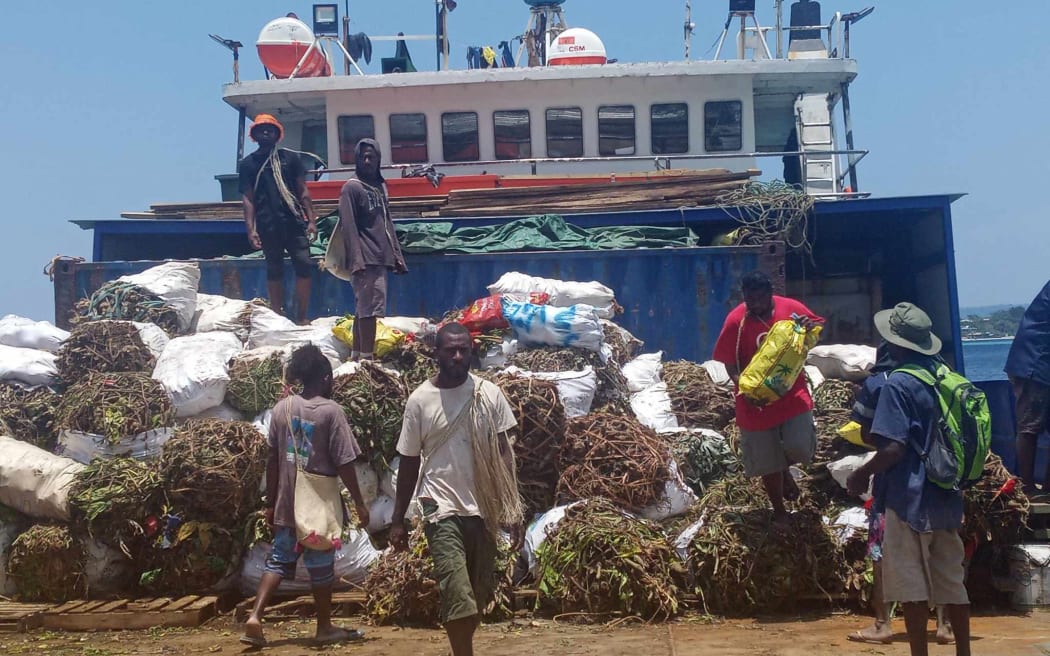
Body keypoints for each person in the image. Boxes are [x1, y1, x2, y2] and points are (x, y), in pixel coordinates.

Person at [389, 322, 524, 656]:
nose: (458, 356)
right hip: (440, 509)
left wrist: (513, 508)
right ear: (436, 353)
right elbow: (408, 462)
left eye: (463, 349)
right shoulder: (420, 401)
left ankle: (459, 647)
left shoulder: (488, 394)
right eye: (450, 350)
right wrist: (397, 520)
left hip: (483, 508)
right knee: (457, 593)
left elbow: (504, 452)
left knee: (477, 595)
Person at [846, 303, 970, 656]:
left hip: (908, 500)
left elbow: (893, 449)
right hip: (947, 498)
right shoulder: (945, 376)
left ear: (896, 344)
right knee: (953, 585)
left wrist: (860, 473)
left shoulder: (898, 384)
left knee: (912, 590)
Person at [241, 344, 370, 648]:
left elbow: (272, 461)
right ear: (326, 377)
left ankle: (256, 616)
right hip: (318, 508)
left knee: (278, 561)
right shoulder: (331, 412)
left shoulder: (282, 409)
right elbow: (344, 462)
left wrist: (271, 504)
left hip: (287, 504)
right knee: (320, 565)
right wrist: (360, 503)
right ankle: (324, 627)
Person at [712, 271, 823, 525]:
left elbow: (816, 329)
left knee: (800, 447)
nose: (755, 305)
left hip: (791, 396)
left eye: (760, 300)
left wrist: (809, 328)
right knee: (766, 461)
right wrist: (744, 388)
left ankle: (784, 467)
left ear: (770, 294)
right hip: (755, 403)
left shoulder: (791, 308)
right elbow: (729, 364)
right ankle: (779, 510)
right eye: (750, 300)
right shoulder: (736, 321)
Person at [239, 113, 317, 325]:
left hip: (293, 222)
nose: (266, 132)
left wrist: (311, 220)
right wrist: (251, 229)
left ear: (277, 134)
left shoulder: (289, 159)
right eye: (261, 129)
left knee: (304, 265)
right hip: (267, 224)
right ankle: (277, 315)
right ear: (254, 134)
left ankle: (301, 316)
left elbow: (303, 191)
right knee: (274, 269)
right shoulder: (247, 164)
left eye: (270, 129)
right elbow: (248, 199)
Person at [335, 139, 408, 360]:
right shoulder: (351, 188)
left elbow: (387, 222)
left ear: (378, 160)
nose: (367, 161)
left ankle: (357, 355)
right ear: (357, 159)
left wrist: (397, 254)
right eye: (363, 157)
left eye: (371, 157)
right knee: (370, 312)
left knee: (363, 311)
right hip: (365, 258)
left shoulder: (379, 187)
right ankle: (368, 360)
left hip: (380, 256)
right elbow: (348, 226)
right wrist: (356, 260)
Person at [1004, 279, 1050, 496]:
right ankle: (1028, 487)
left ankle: (1047, 488)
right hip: (1036, 360)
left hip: (1038, 361)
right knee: (1030, 427)